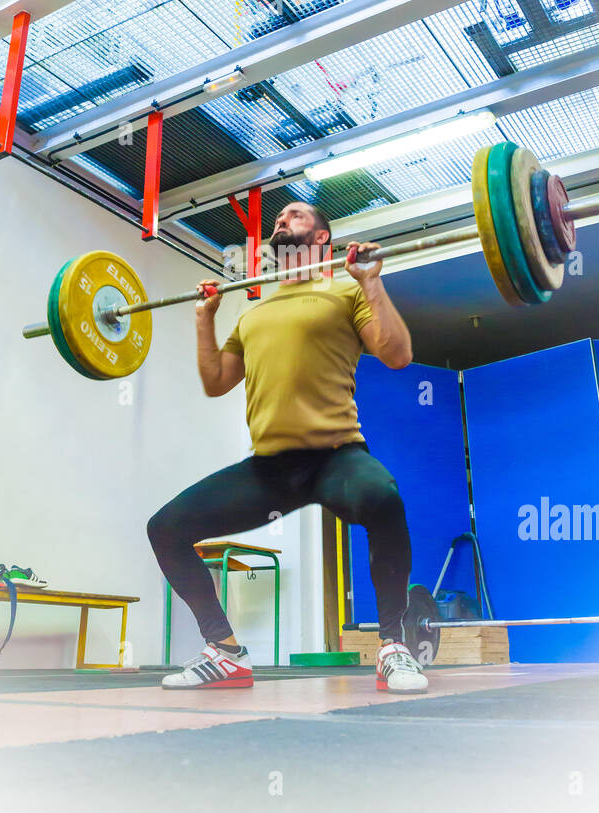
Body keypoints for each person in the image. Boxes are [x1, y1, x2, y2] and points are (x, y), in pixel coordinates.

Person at [147, 201, 428, 693]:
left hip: (336, 456)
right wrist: (203, 317)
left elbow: (398, 353)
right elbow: (215, 382)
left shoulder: (344, 291)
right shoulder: (253, 313)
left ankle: (392, 646)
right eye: (278, 217)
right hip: (270, 470)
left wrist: (370, 282)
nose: (281, 220)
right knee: (166, 528)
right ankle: (225, 651)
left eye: (295, 215)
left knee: (383, 498)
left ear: (322, 238)